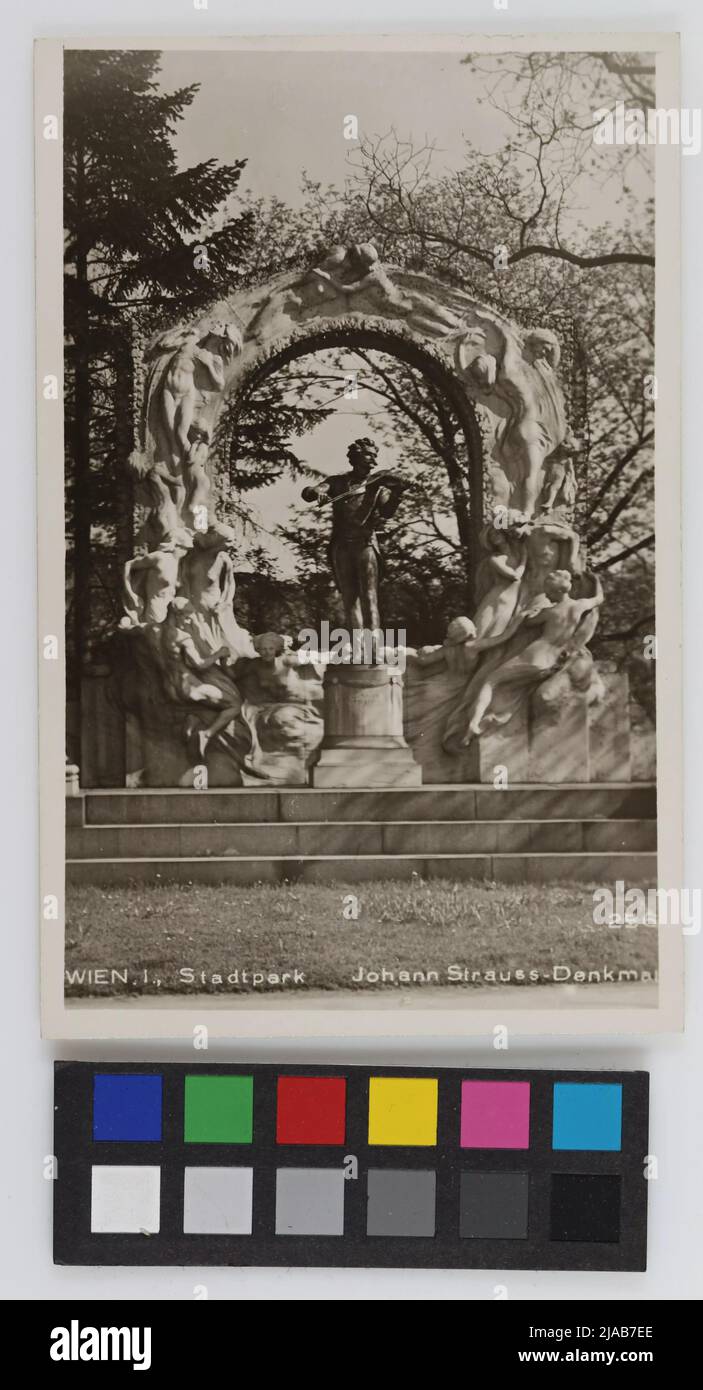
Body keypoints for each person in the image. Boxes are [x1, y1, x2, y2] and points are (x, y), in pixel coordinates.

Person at [301, 437, 405, 641]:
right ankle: (357, 647)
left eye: (375, 458)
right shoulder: (337, 482)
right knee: (349, 599)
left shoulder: (378, 487)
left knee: (369, 597)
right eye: (369, 456)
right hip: (341, 545)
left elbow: (387, 513)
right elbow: (314, 491)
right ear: (356, 457)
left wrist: (398, 493)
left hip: (366, 544)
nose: (373, 462)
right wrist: (316, 492)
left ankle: (373, 646)